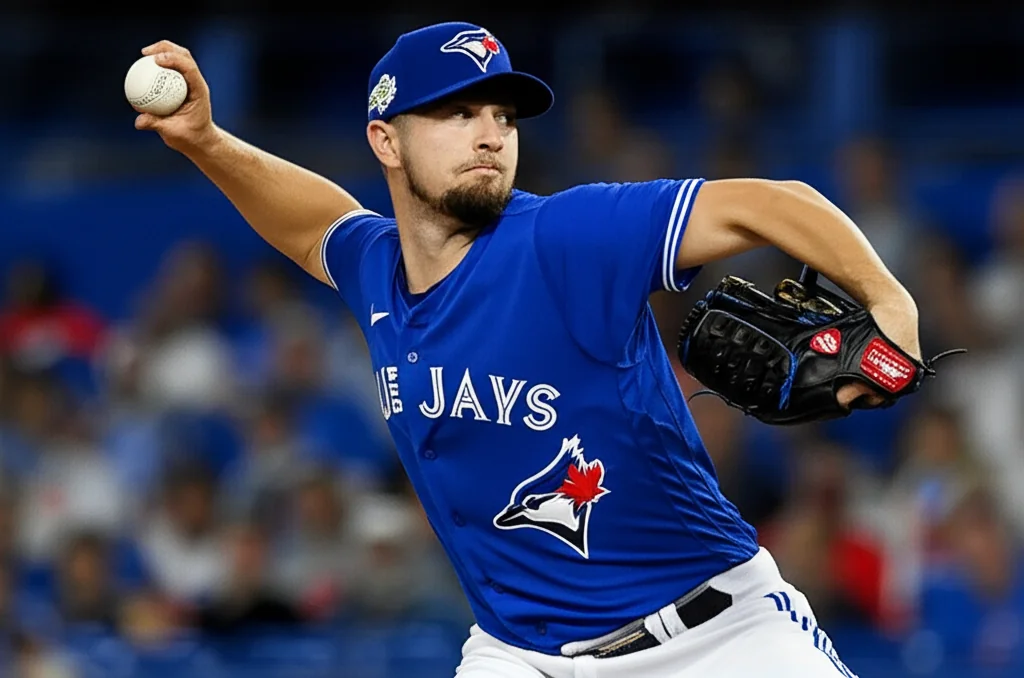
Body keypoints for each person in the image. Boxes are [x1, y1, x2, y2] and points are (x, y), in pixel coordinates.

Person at [132, 21, 921, 678]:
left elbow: (773, 204)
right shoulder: (375, 268)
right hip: (521, 656)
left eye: (504, 117)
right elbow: (312, 223)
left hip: (714, 638)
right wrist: (204, 141)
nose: (490, 135)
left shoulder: (564, 237)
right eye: (457, 112)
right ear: (387, 139)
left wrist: (890, 301)